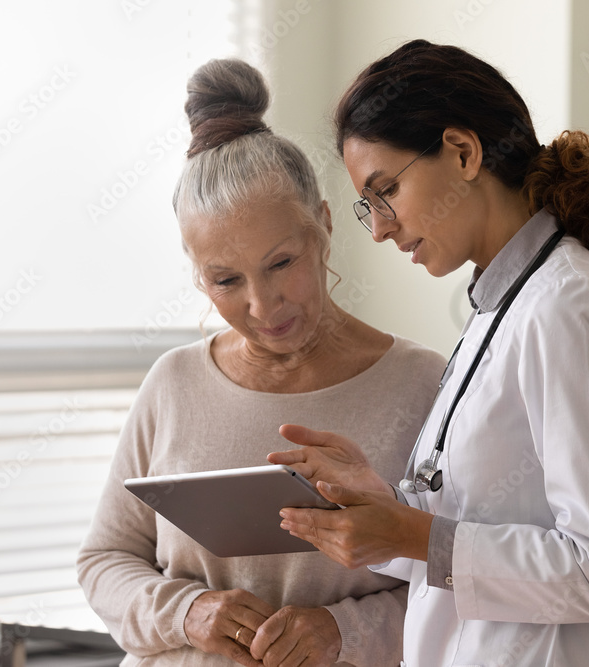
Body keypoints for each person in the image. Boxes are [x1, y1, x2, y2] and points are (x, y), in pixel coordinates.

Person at [269, 40, 589, 666]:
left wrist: (416, 533)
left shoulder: (567, 307)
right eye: (369, 206)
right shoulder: (499, 306)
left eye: (385, 190)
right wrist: (383, 510)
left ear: (463, 153)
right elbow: (476, 526)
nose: (381, 226)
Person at [76, 58, 446, 667]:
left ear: (324, 226)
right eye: (225, 280)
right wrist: (186, 614)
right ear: (199, 278)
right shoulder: (172, 384)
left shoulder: (422, 384)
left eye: (281, 264)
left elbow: (458, 577)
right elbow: (104, 561)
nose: (261, 305)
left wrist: (341, 630)